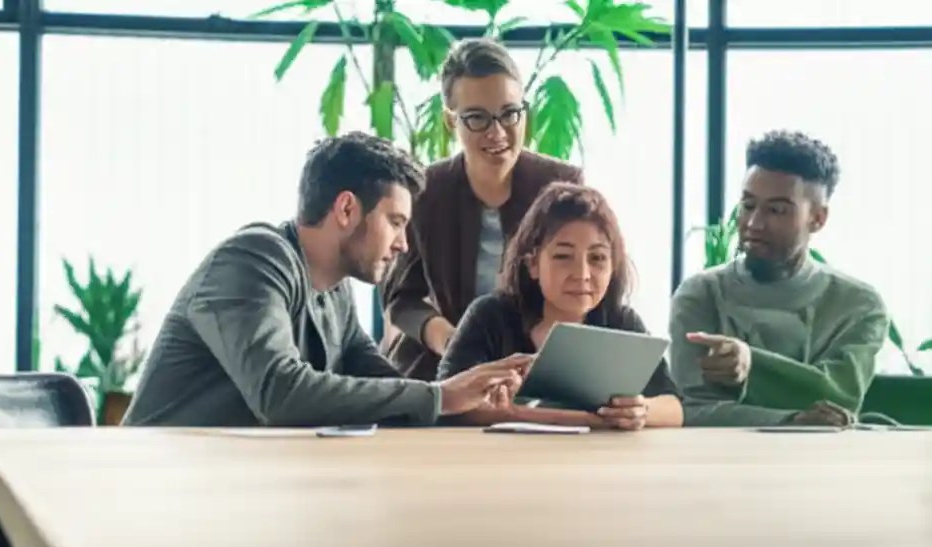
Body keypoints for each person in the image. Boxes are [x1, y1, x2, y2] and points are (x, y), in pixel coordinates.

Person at [123, 132, 530, 428]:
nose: (403, 244)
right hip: (158, 488)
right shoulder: (252, 261)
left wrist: (463, 401)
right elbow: (280, 393)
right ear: (347, 209)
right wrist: (441, 397)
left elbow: (380, 382)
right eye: (395, 222)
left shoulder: (334, 289)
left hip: (232, 487)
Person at [381, 37, 584, 381]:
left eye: (509, 114)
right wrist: (446, 338)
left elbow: (586, 282)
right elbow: (402, 298)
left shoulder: (560, 184)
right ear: (451, 122)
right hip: (443, 365)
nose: (498, 132)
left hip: (537, 363)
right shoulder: (426, 191)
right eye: (477, 118)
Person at [669, 130, 889, 428]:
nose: (754, 223)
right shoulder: (701, 295)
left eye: (776, 210)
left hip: (825, 467)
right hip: (718, 466)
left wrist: (750, 364)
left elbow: (838, 400)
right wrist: (793, 419)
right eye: (747, 206)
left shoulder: (858, 305)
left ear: (818, 219)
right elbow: (691, 410)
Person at [438, 183, 683, 431]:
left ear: (614, 266)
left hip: (598, 462)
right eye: (563, 257)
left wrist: (641, 410)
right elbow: (445, 402)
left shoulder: (621, 322)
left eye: (597, 258)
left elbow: (674, 407)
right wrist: (585, 419)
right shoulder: (489, 316)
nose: (582, 274)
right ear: (533, 264)